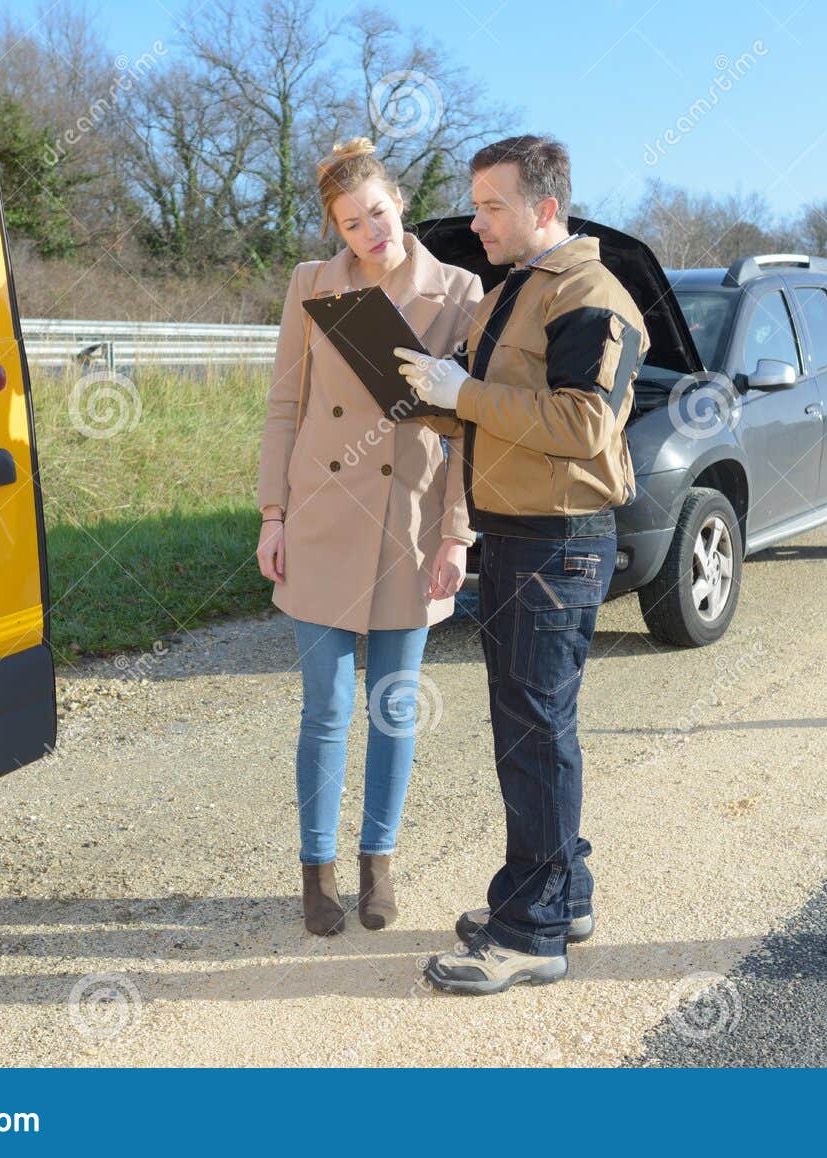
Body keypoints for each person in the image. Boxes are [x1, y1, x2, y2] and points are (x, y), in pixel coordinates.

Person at [395, 134, 648, 993]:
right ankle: (560, 893)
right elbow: (499, 415)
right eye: (476, 202)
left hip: (559, 540)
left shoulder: (590, 296)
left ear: (545, 207)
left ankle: (532, 934)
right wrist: (424, 398)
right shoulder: (513, 293)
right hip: (515, 535)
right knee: (532, 728)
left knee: (535, 734)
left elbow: (582, 425)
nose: (478, 220)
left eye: (493, 204)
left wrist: (458, 392)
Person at [256, 138, 482, 936]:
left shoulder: (458, 290)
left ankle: (377, 867)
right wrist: (272, 516)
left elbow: (468, 429)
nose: (368, 234)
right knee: (327, 707)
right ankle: (316, 874)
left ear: (399, 205)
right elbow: (285, 406)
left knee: (393, 707)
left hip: (409, 523)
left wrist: (456, 535)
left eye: (377, 214)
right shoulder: (310, 286)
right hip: (318, 518)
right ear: (337, 230)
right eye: (351, 225)